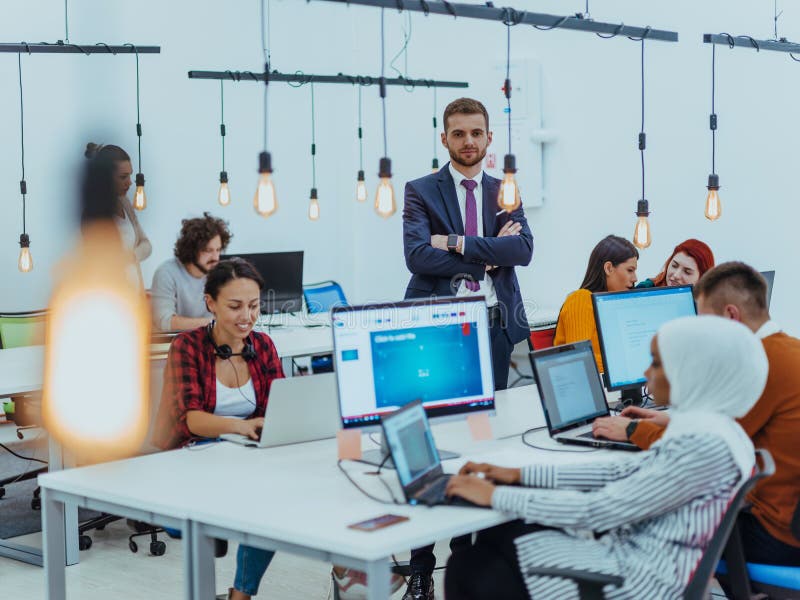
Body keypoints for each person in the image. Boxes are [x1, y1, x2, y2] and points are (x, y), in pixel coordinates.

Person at [444, 315, 767, 599]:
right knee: (499, 533)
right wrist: (519, 475)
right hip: (643, 561)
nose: (645, 371)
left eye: (655, 362)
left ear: (690, 372)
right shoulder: (714, 428)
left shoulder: (702, 445)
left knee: (469, 568)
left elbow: (600, 510)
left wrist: (496, 495)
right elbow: (621, 472)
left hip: (637, 581)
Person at [401, 97, 533, 599]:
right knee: (431, 445)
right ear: (445, 139)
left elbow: (522, 250)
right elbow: (416, 255)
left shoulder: (506, 192)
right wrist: (487, 252)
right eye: (459, 134)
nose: (469, 142)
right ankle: (418, 565)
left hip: (496, 325)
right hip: (439, 329)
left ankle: (463, 555)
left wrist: (454, 243)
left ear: (489, 138)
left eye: (477, 133)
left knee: (482, 438)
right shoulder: (419, 190)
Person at [593, 262, 800, 566]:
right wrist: (670, 419)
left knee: (634, 528)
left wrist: (631, 431)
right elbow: (730, 424)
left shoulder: (764, 363)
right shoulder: (787, 350)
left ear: (731, 316)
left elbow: (698, 448)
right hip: (787, 527)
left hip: (775, 536)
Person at [153, 258, 283, 600]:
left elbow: (279, 410)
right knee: (261, 502)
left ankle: (241, 595)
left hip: (245, 455)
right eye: (235, 306)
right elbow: (191, 420)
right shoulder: (188, 347)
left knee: (274, 501)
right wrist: (243, 427)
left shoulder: (264, 346)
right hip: (192, 455)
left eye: (254, 306)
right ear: (210, 303)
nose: (247, 316)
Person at [553, 235, 638, 372]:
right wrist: (628, 364)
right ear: (609, 268)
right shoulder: (581, 299)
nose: (635, 278)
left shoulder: (612, 305)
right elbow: (581, 359)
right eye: (630, 270)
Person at [150, 212, 231, 331]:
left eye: (218, 250)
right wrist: (214, 323)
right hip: (173, 344)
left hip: (208, 341)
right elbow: (165, 322)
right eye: (208, 250)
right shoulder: (166, 273)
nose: (216, 258)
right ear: (191, 250)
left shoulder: (218, 273)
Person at [84, 143, 152, 282]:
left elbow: (146, 245)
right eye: (123, 177)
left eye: (130, 175)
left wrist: (130, 257)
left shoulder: (125, 203)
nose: (130, 182)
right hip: (112, 296)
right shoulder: (93, 215)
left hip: (135, 295)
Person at [637, 238, 714, 288]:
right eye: (674, 266)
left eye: (687, 272)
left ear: (703, 278)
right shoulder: (645, 288)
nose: (676, 275)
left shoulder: (708, 307)